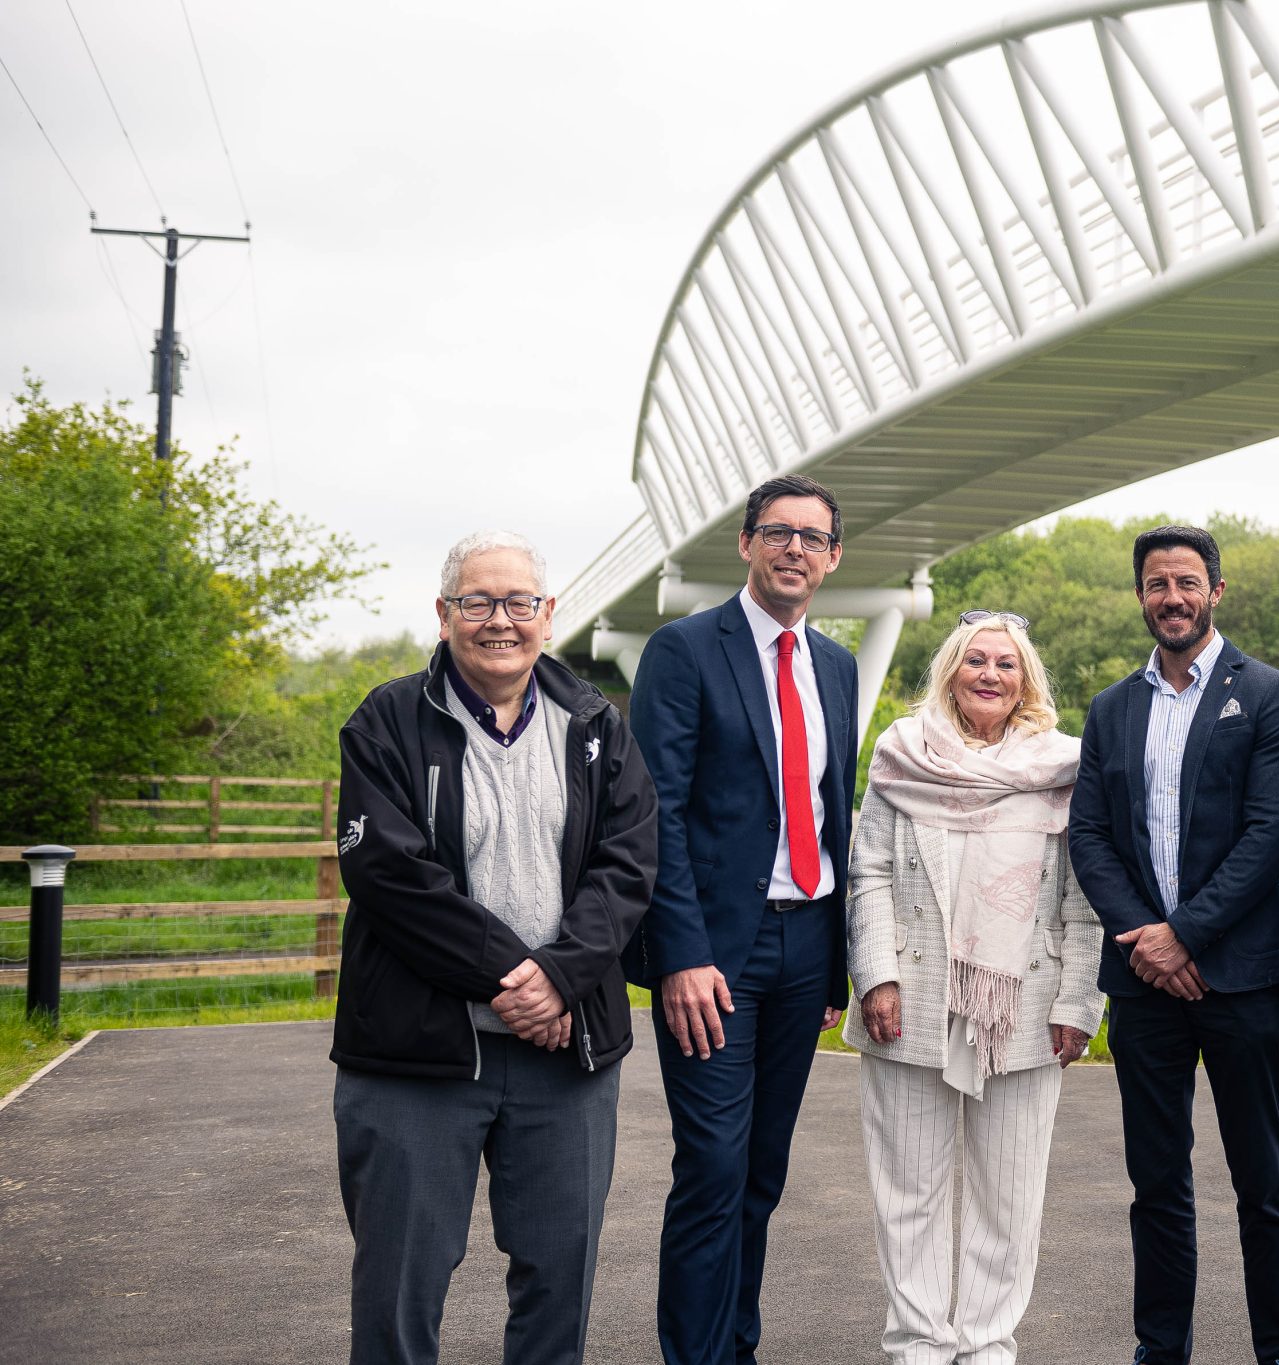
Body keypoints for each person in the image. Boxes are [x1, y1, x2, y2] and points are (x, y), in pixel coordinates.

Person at [331, 529, 657, 1365]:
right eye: (477, 602)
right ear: (444, 615)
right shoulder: (387, 720)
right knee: (401, 1282)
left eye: (518, 603)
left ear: (548, 616)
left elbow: (629, 862)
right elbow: (387, 872)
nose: (499, 620)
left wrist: (559, 978)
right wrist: (520, 976)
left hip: (565, 1055)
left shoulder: (594, 724)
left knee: (559, 1277)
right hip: (418, 1052)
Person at [625, 473, 859, 1365]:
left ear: (834, 557)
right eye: (777, 532)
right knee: (714, 1168)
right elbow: (657, 814)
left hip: (806, 944)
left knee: (761, 1172)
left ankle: (738, 1347)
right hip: (714, 951)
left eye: (811, 536)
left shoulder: (834, 664)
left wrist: (836, 962)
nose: (793, 548)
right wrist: (680, 952)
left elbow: (833, 810)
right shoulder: (684, 651)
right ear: (746, 543)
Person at [1069, 525, 1279, 1365]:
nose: (1171, 596)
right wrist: (1149, 941)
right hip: (1143, 984)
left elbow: (1272, 831)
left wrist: (1186, 934)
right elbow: (1090, 836)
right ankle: (1159, 1346)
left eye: (1186, 582)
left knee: (1261, 1182)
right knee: (1157, 1183)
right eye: (1155, 583)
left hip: (1240, 979)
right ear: (1141, 595)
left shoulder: (1272, 695)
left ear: (1216, 590)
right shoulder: (1111, 707)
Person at [843, 610, 1107, 1365]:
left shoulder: (1061, 767)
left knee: (1010, 1195)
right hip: (911, 998)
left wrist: (1077, 1002)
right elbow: (868, 874)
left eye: (1006, 663)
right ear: (951, 671)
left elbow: (1083, 897)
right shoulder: (901, 754)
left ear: (1026, 680)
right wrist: (876, 977)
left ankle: (987, 1345)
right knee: (908, 1192)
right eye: (975, 661)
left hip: (1022, 1004)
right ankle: (919, 1345)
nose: (990, 674)